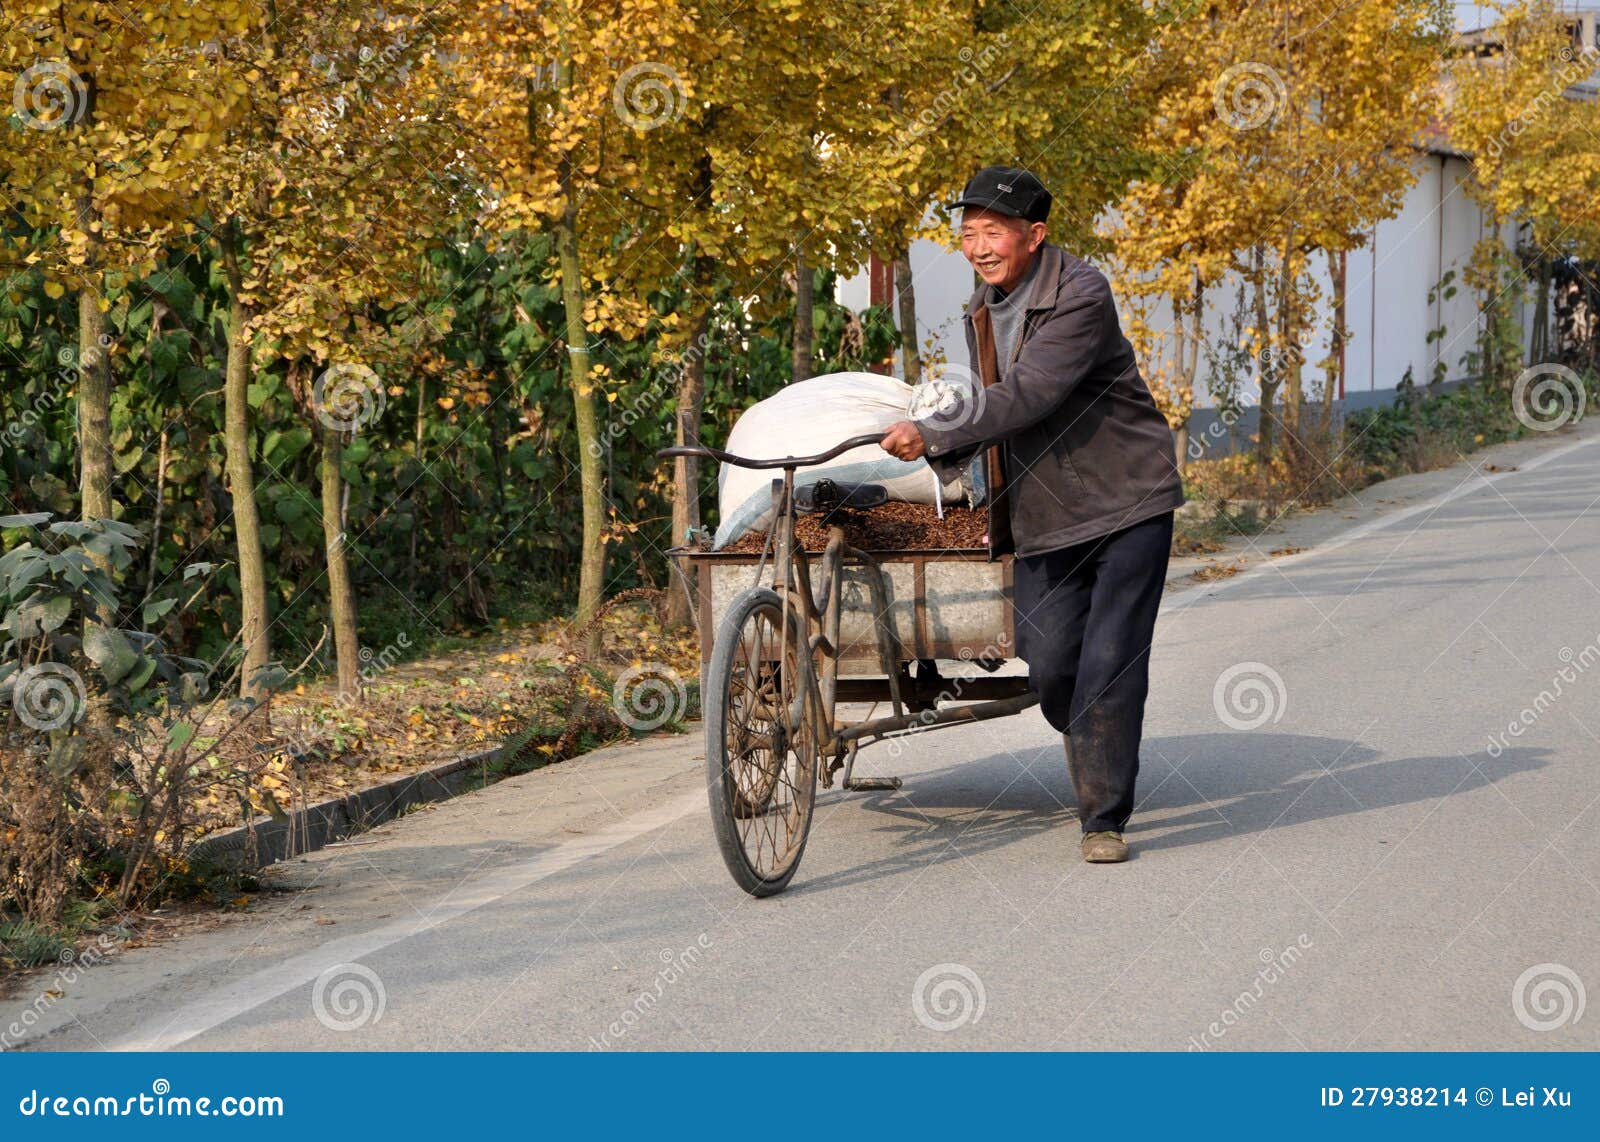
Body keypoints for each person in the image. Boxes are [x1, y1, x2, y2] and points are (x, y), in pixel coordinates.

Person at [879, 165, 1185, 864]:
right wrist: (958, 462)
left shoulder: (1081, 293)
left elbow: (1031, 392)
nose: (979, 248)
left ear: (1035, 235)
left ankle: (1102, 818)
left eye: (993, 232)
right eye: (968, 234)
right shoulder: (984, 304)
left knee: (1109, 660)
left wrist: (935, 433)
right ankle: (1095, 736)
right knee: (1048, 663)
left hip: (1127, 498)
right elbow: (1003, 405)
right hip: (1046, 509)